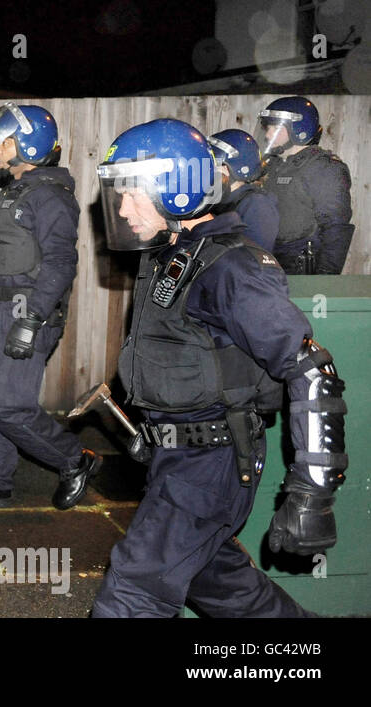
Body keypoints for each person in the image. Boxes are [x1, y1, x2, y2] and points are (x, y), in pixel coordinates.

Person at [90, 118, 348, 617]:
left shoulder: (233, 267)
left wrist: (312, 490)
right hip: (183, 460)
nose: (120, 208)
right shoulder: (173, 254)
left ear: (177, 190)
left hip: (210, 464)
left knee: (133, 589)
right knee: (220, 586)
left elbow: (312, 370)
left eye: (131, 193)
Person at [0, 104, 100, 510]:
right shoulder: (13, 192)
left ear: (28, 146)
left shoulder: (50, 197)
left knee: (7, 402)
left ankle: (75, 459)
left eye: (5, 139)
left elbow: (61, 264)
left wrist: (32, 319)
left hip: (30, 312)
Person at [255, 96, 354, 274]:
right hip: (269, 261)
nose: (268, 134)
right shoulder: (274, 165)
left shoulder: (324, 168)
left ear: (299, 129)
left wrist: (324, 279)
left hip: (300, 267)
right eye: (267, 127)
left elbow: (336, 228)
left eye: (276, 127)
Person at [206, 128, 278, 251]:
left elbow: (255, 257)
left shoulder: (256, 205)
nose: (207, 172)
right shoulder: (215, 198)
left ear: (235, 169)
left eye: (213, 166)